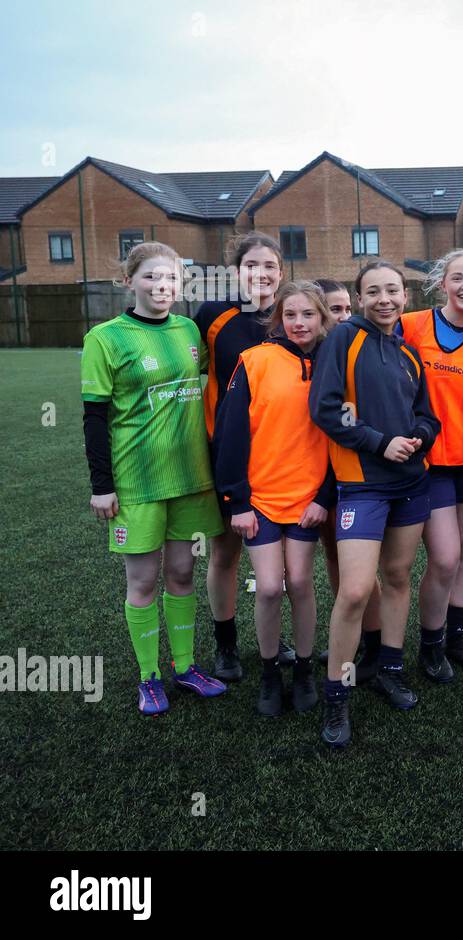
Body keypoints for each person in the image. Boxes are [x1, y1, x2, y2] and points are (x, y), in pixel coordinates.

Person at [81, 242, 227, 715]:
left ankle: (184, 667)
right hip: (136, 481)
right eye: (150, 278)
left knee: (183, 572)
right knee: (142, 580)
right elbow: (93, 418)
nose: (161, 287)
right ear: (129, 281)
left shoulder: (188, 330)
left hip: (191, 478)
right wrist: (102, 485)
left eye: (169, 279)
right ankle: (149, 676)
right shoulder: (105, 337)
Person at [309, 260, 440, 748]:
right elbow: (323, 409)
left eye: (393, 290)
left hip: (412, 483)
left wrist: (419, 438)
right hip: (362, 484)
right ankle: (336, 694)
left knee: (399, 577)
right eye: (374, 291)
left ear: (405, 297)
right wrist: (379, 442)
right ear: (359, 298)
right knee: (357, 590)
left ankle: (389, 668)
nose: (385, 299)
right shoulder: (343, 338)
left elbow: (427, 414)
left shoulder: (409, 352)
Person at [215, 281, 335, 716]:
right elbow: (230, 435)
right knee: (268, 587)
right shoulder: (255, 361)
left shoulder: (334, 362)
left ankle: (303, 669)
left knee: (300, 582)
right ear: (278, 320)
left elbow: (341, 438)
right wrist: (238, 502)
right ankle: (270, 672)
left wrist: (324, 496)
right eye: (290, 315)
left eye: (308, 314)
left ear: (323, 318)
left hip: (308, 499)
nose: (299, 323)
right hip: (261, 500)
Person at [195, 232, 294, 679]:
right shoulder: (214, 316)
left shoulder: (292, 315)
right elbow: (189, 368)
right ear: (237, 271)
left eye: (269, 265)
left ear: (281, 271)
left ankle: (275, 640)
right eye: (252, 265)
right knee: (225, 554)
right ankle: (227, 645)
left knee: (281, 563)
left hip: (282, 457)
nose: (261, 273)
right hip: (226, 455)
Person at [401, 249, 463, 680]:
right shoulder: (412, 325)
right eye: (458, 278)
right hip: (429, 463)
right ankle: (430, 645)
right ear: (441, 283)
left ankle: (458, 638)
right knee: (444, 557)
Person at [314, 277, 382, 674]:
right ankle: (347, 645)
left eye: (344, 309)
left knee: (363, 570)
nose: (340, 317)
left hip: (353, 474)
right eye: (331, 310)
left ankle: (372, 646)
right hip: (311, 475)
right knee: (333, 559)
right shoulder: (305, 352)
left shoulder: (359, 346)